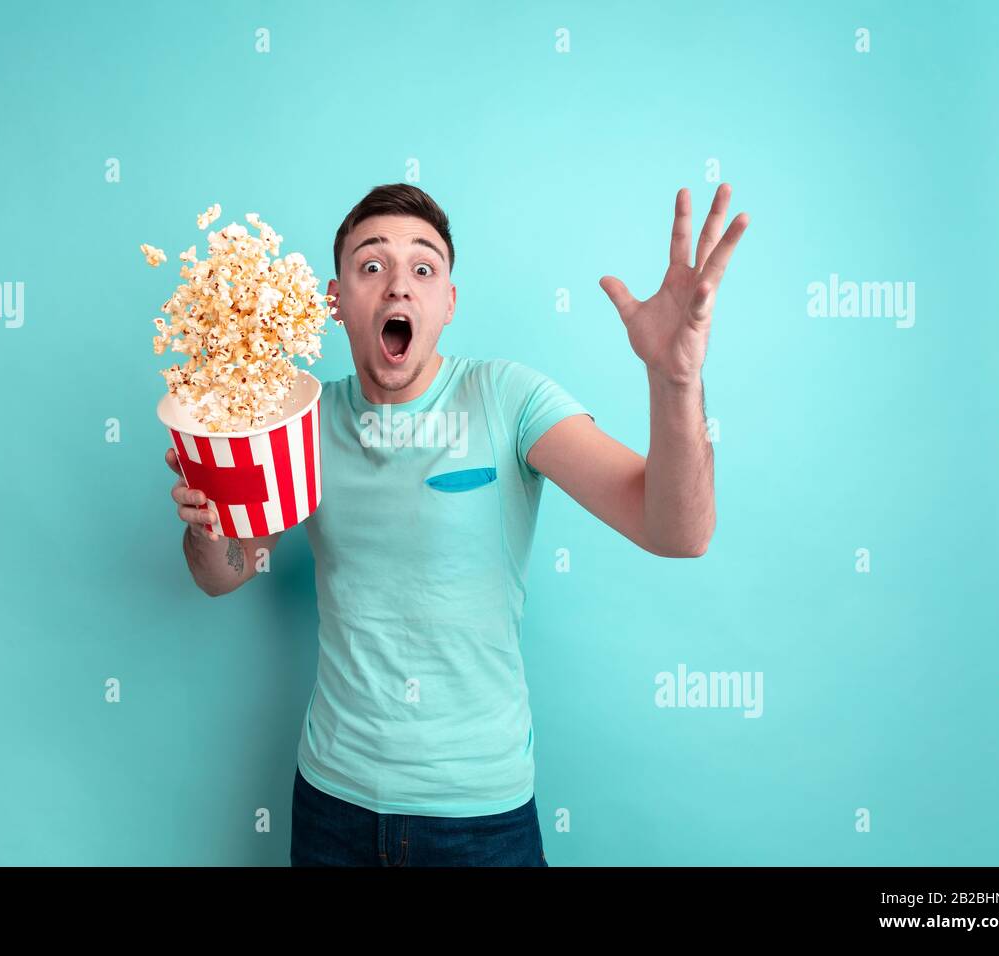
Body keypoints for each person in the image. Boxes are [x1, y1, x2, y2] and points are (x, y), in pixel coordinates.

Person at [165, 183, 749, 866]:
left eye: (423, 268)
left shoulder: (508, 398)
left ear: (448, 302)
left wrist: (675, 379)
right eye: (371, 265)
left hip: (481, 820)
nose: (398, 288)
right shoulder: (304, 420)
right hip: (332, 804)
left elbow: (678, 533)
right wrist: (210, 529)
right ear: (333, 300)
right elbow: (225, 576)